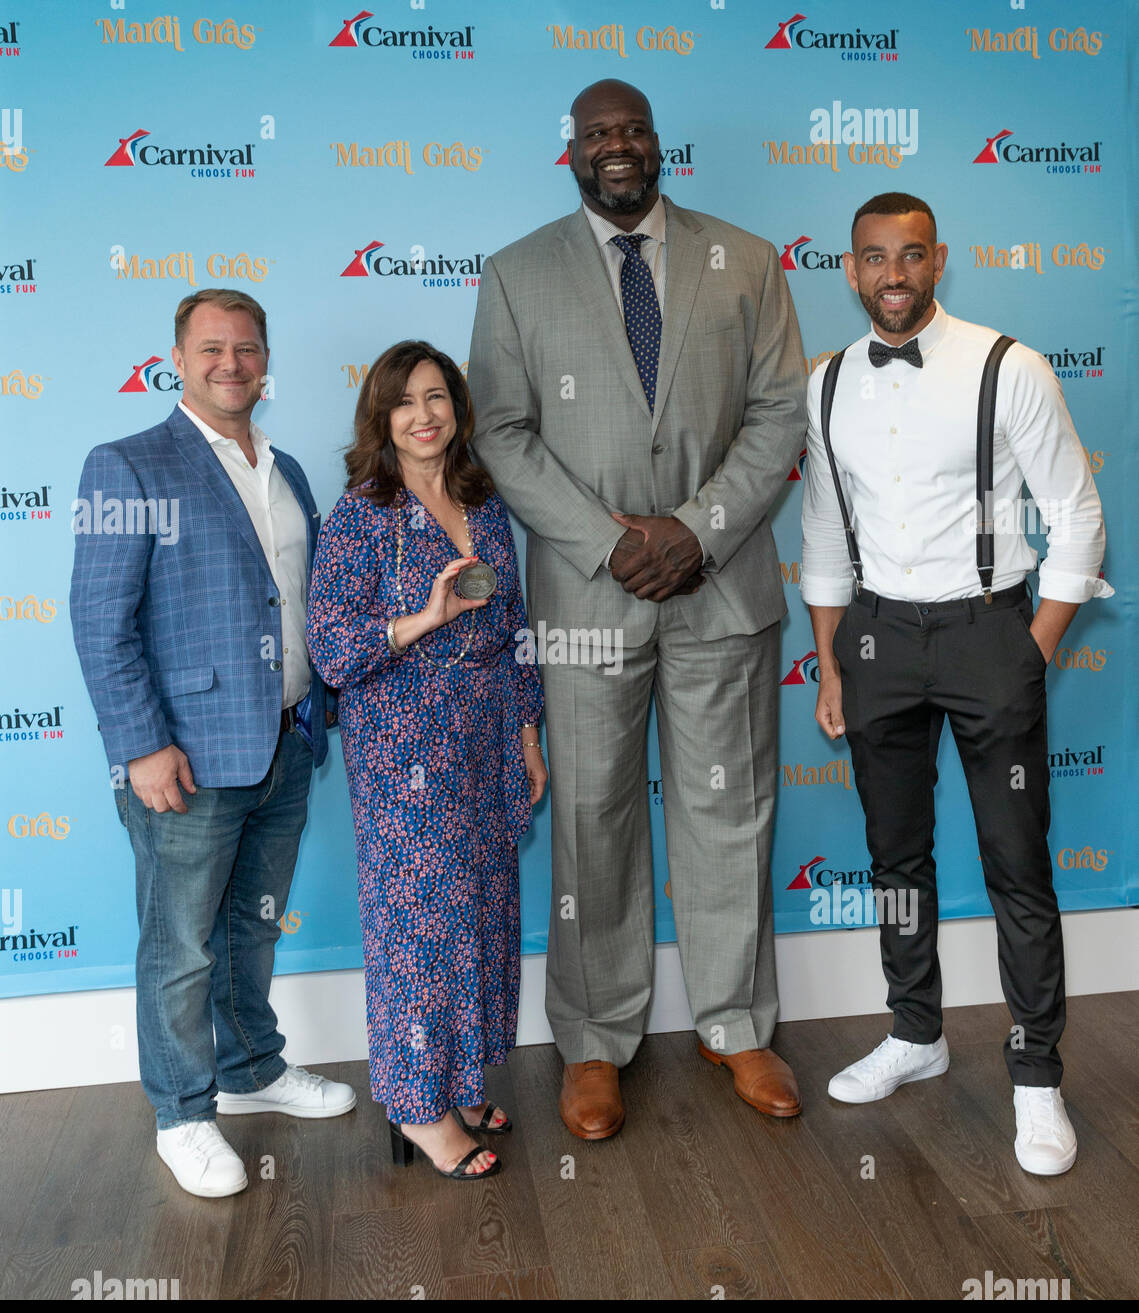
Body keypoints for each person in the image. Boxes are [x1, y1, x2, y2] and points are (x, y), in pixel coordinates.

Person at [467, 79, 807, 1140]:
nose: (617, 147)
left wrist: (693, 529)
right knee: (591, 819)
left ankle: (736, 1024)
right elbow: (503, 435)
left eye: (633, 131)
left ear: (659, 147)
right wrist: (611, 540)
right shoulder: (516, 275)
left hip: (718, 589)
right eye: (597, 133)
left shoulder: (744, 261)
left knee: (729, 813)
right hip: (586, 598)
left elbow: (778, 414)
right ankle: (593, 1041)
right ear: (570, 151)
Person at [801, 192, 1112, 1175]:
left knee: (1015, 864)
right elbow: (820, 533)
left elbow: (1077, 514)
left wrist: (1030, 646)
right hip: (875, 639)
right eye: (871, 258)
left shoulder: (1003, 365)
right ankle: (913, 1029)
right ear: (846, 271)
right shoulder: (823, 385)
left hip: (989, 632)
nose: (891, 274)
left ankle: (1034, 1074)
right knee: (894, 861)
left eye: (909, 256)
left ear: (937, 262)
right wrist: (828, 660)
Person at [71, 289, 355, 1200]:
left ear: (266, 361)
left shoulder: (290, 471)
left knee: (251, 926)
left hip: (285, 747)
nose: (230, 363)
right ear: (177, 358)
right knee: (181, 944)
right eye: (211, 348)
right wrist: (141, 746)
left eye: (246, 348)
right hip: (183, 760)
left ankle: (251, 1071)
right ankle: (183, 1115)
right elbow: (98, 622)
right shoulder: (128, 465)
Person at [306, 341, 546, 1181]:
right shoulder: (359, 515)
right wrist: (422, 618)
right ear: (381, 417)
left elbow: (515, 629)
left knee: (481, 911)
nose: (424, 415)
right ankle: (416, 1107)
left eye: (437, 397)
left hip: (485, 733)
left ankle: (462, 1079)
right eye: (405, 402)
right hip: (404, 742)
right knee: (421, 925)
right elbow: (331, 652)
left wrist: (526, 734)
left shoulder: (483, 504)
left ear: (457, 409)